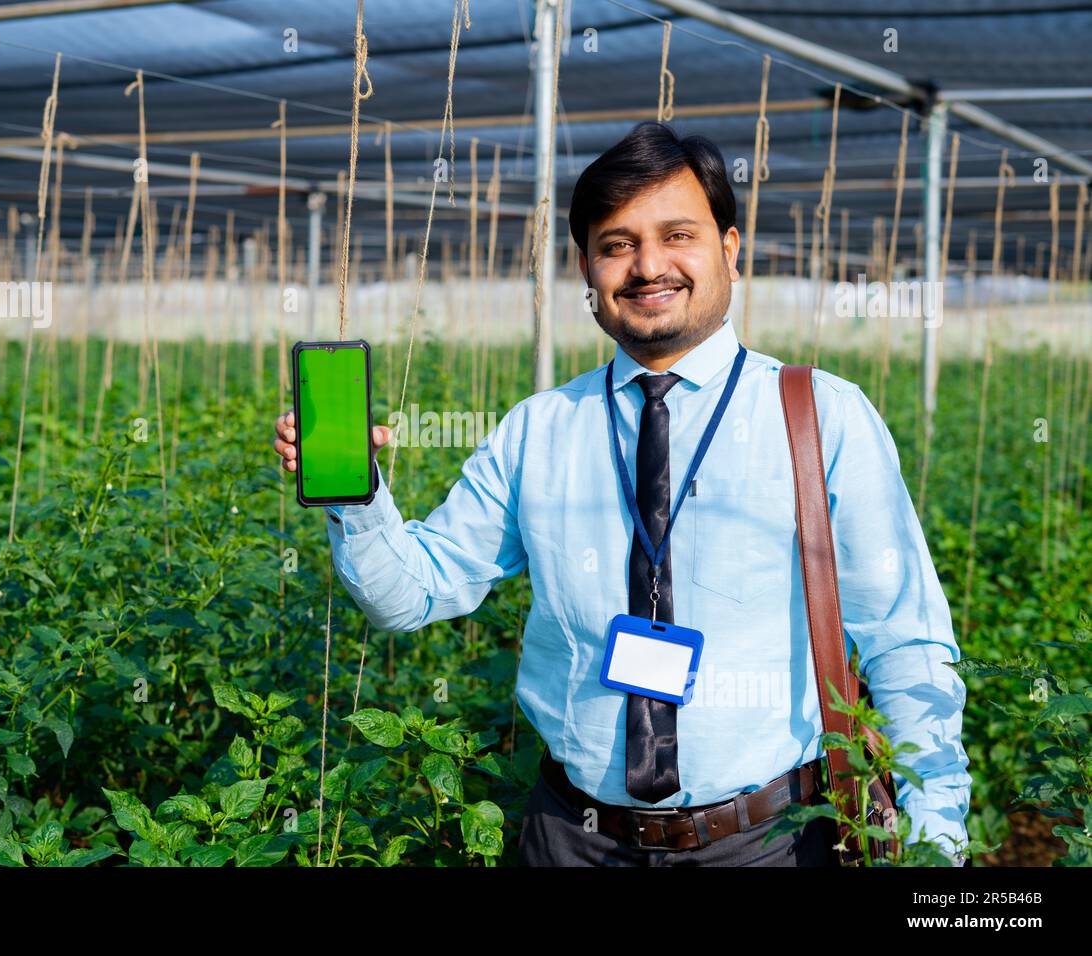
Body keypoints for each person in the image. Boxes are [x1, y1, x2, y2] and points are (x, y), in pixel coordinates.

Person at [271, 121, 970, 867]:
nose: (647, 266)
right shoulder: (540, 429)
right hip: (573, 839)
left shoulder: (819, 416)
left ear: (730, 252)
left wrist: (935, 845)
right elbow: (410, 595)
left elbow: (906, 643)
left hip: (768, 843)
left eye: (677, 236)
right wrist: (356, 493)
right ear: (587, 269)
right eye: (616, 244)